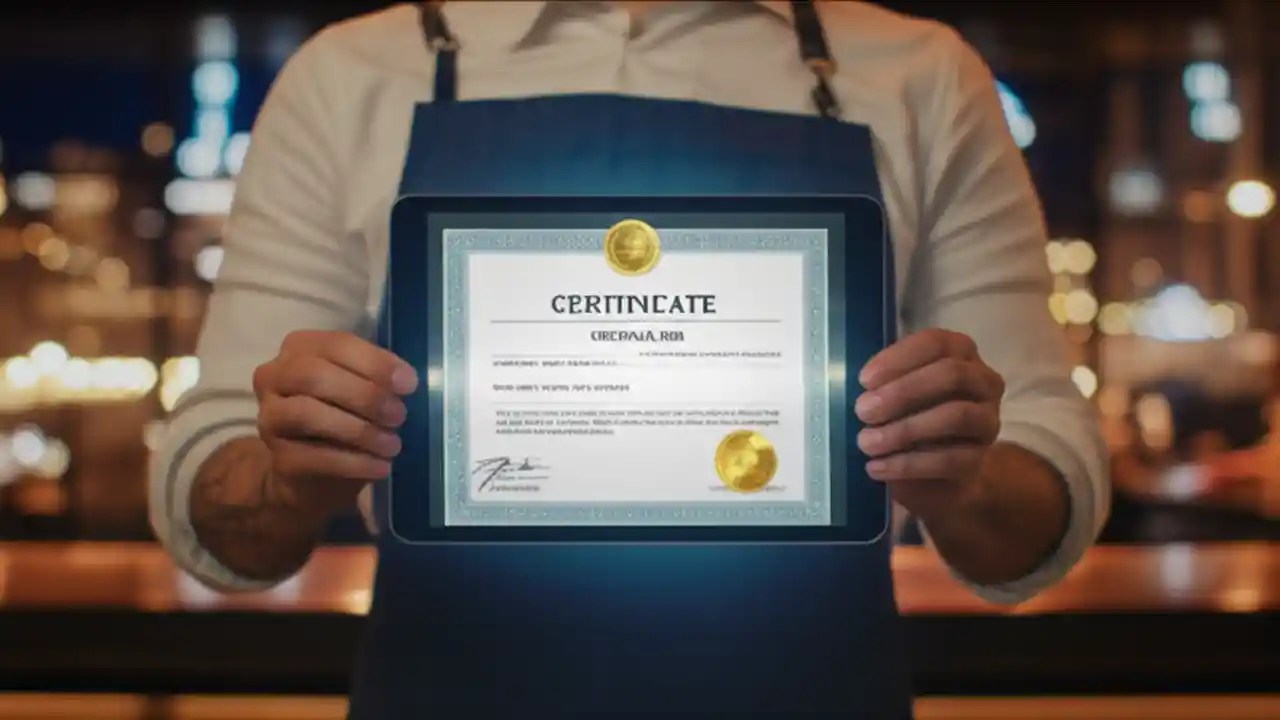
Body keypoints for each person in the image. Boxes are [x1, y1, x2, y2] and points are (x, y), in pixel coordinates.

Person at [150, 1, 1108, 717]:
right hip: (452, 687)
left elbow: (1042, 500)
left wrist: (966, 478)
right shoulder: (350, 73)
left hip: (807, 688)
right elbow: (217, 509)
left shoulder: (920, 72)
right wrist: (286, 474)